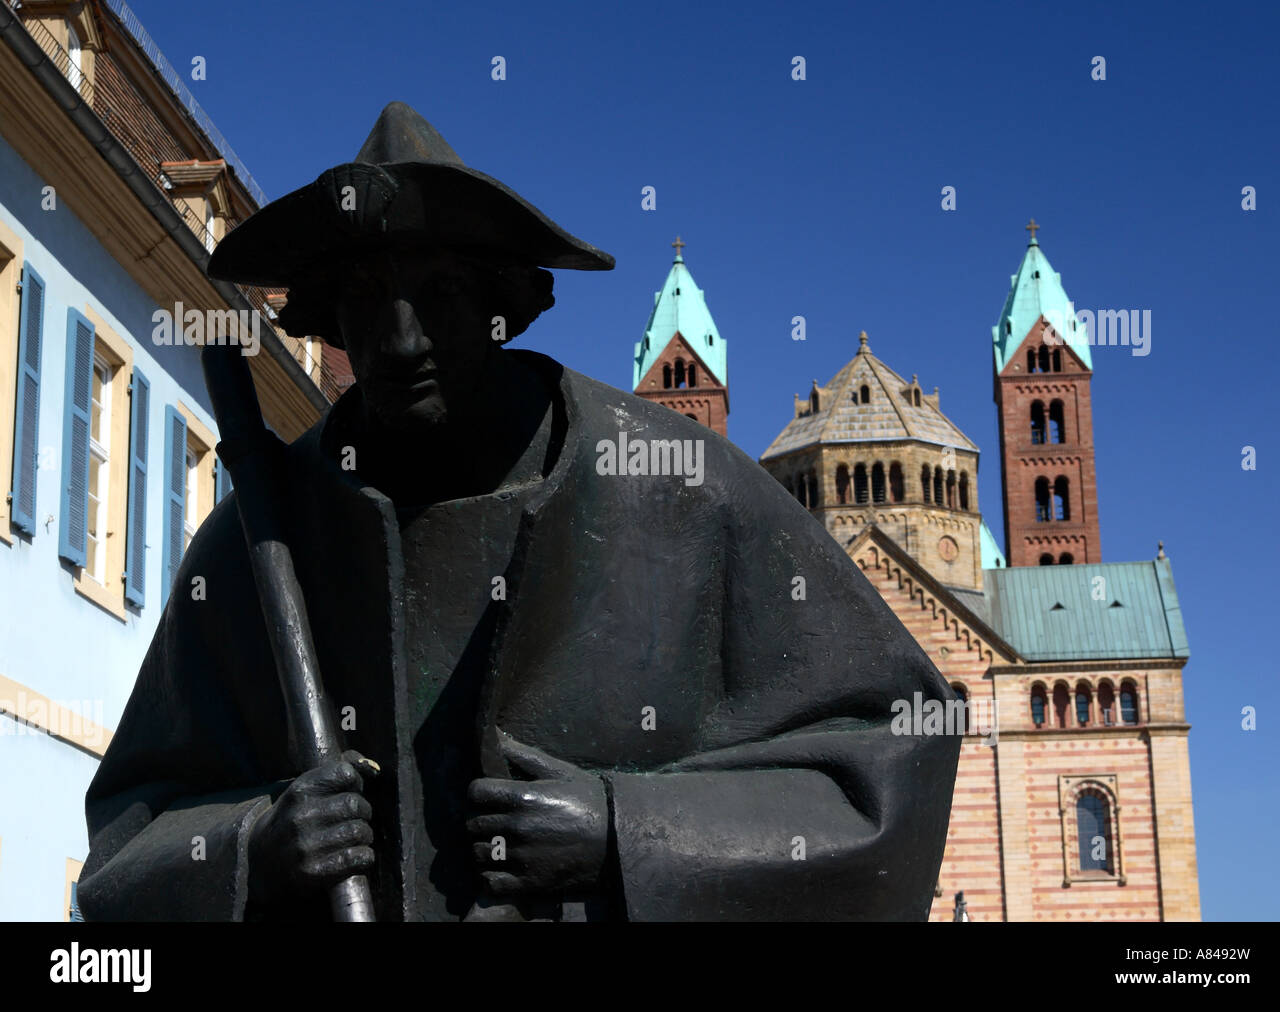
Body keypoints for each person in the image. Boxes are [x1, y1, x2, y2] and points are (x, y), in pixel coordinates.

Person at [78, 103, 959, 921]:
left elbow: (892, 758)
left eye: (442, 295)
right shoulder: (258, 541)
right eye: (363, 299)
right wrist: (252, 847)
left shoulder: (679, 489)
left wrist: (626, 831)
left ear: (508, 302)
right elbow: (124, 852)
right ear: (327, 321)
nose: (399, 340)